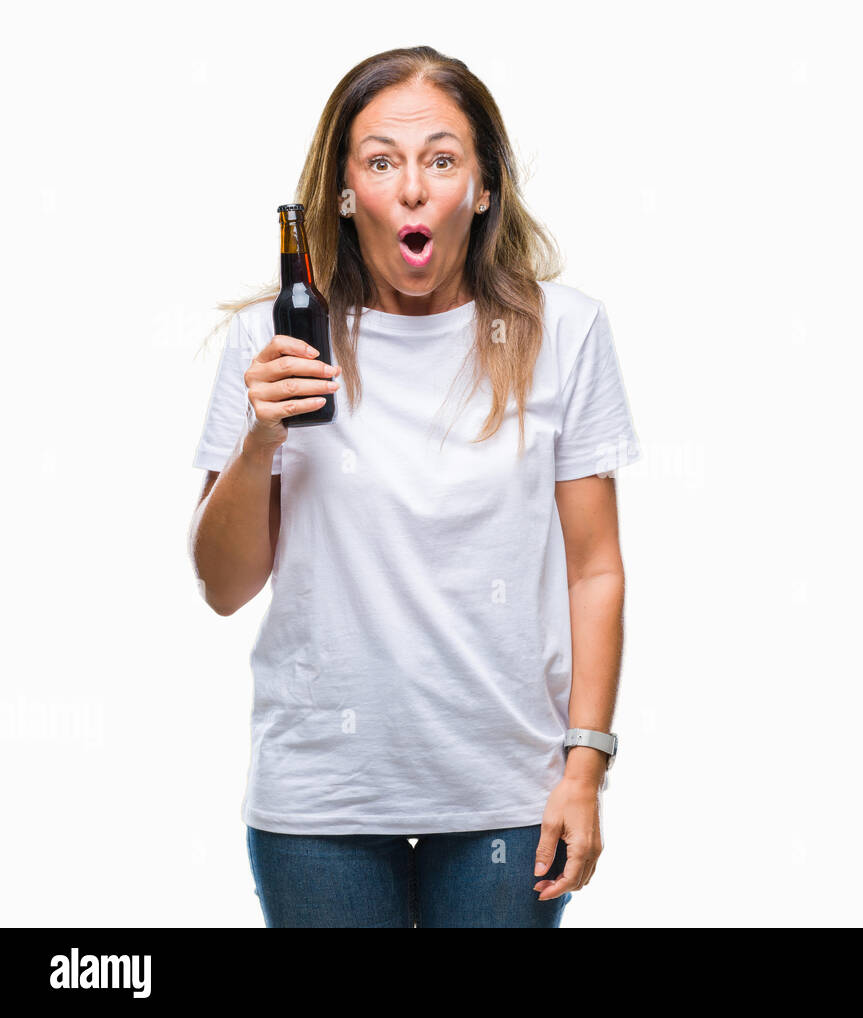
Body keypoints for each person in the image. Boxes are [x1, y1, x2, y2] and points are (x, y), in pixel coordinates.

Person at [187, 46, 642, 928]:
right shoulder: (272, 343)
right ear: (345, 190)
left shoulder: (567, 332)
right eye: (382, 161)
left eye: (441, 159)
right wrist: (259, 443)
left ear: (482, 187)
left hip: (508, 796)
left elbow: (596, 570)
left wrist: (585, 767)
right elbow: (221, 586)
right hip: (320, 801)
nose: (412, 187)